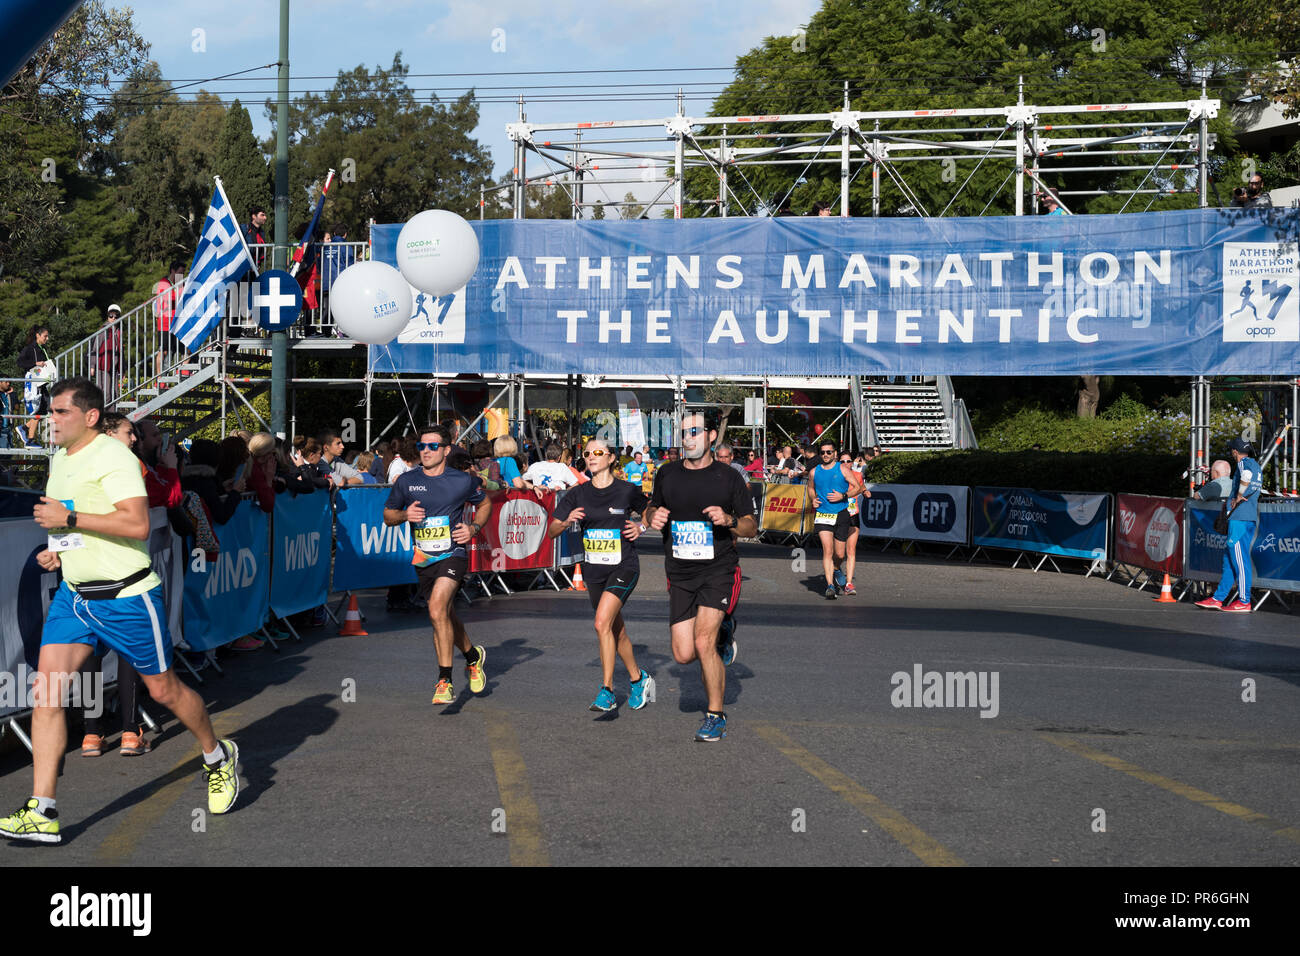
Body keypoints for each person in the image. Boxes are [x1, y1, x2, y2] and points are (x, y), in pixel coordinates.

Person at [0, 379, 240, 844]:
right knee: (45, 695)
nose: (50, 419)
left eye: (60, 412)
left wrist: (68, 521)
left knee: (164, 690)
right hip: (76, 596)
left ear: (90, 417)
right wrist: (61, 548)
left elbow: (134, 523)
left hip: (127, 596)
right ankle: (43, 809)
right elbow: (73, 515)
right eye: (50, 412)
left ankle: (216, 755)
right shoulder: (60, 459)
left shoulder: (115, 458)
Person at [645, 411, 757, 742]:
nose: (687, 437)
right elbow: (650, 508)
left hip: (717, 569)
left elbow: (752, 526)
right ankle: (724, 632)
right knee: (682, 654)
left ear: (709, 436)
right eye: (683, 433)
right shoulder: (666, 474)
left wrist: (729, 520)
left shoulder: (729, 478)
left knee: (702, 642)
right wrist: (653, 515)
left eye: (694, 431)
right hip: (679, 572)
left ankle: (715, 715)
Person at [383, 426, 492, 704]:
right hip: (423, 557)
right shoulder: (407, 481)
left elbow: (485, 504)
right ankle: (472, 656)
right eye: (422, 446)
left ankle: (444, 680)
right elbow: (387, 515)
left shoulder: (461, 481)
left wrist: (474, 527)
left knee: (435, 609)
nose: (426, 451)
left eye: (433, 446)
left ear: (446, 450)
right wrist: (405, 514)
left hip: (453, 553)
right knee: (442, 615)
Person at [548, 438, 655, 712]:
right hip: (594, 571)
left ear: (610, 458)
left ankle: (606, 690)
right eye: (587, 453)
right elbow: (552, 530)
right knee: (614, 630)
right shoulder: (577, 494)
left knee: (600, 623)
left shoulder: (626, 490)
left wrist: (641, 527)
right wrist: (566, 520)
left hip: (624, 566)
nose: (591, 457)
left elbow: (650, 510)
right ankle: (638, 679)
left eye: (598, 452)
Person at [1196, 438, 1263, 612]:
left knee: (1239, 561)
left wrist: (1239, 494)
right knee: (1230, 559)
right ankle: (1218, 598)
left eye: (1231, 451)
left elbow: (1246, 477)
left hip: (1240, 517)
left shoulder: (1243, 464)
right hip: (1247, 517)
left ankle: (1244, 601)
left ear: (1234, 451)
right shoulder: (1255, 465)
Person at [808, 438, 867, 599]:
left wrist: (844, 495)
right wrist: (812, 499)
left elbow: (857, 488)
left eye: (829, 452)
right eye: (823, 452)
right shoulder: (814, 471)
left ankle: (836, 568)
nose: (825, 455)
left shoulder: (842, 469)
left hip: (841, 513)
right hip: (823, 515)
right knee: (828, 550)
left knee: (840, 554)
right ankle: (830, 586)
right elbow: (810, 488)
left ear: (834, 453)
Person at [19, 325, 54, 446]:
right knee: (38, 410)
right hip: (34, 384)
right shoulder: (29, 348)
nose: (47, 338)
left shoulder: (42, 349)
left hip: (42, 383)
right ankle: (30, 439)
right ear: (38, 336)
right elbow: (20, 362)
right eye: (45, 336)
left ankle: (24, 428)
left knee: (45, 409)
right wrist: (35, 363)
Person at [94, 306, 122, 404]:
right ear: (107, 317)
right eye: (111, 316)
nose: (113, 318)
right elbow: (95, 348)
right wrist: (92, 366)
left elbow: (120, 351)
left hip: (113, 366)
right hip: (103, 364)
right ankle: (101, 415)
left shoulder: (118, 331)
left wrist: (122, 368)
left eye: (116, 316)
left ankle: (111, 415)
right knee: (106, 394)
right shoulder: (104, 330)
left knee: (114, 393)